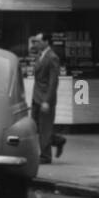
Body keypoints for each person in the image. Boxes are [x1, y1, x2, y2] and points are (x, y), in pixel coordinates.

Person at [29, 32, 66, 162]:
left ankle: (45, 156)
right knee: (35, 127)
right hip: (36, 97)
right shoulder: (40, 55)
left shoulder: (52, 58)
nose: (35, 44)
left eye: (38, 41)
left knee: (45, 127)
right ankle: (58, 140)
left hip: (45, 99)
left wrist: (47, 101)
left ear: (46, 42)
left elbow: (53, 82)